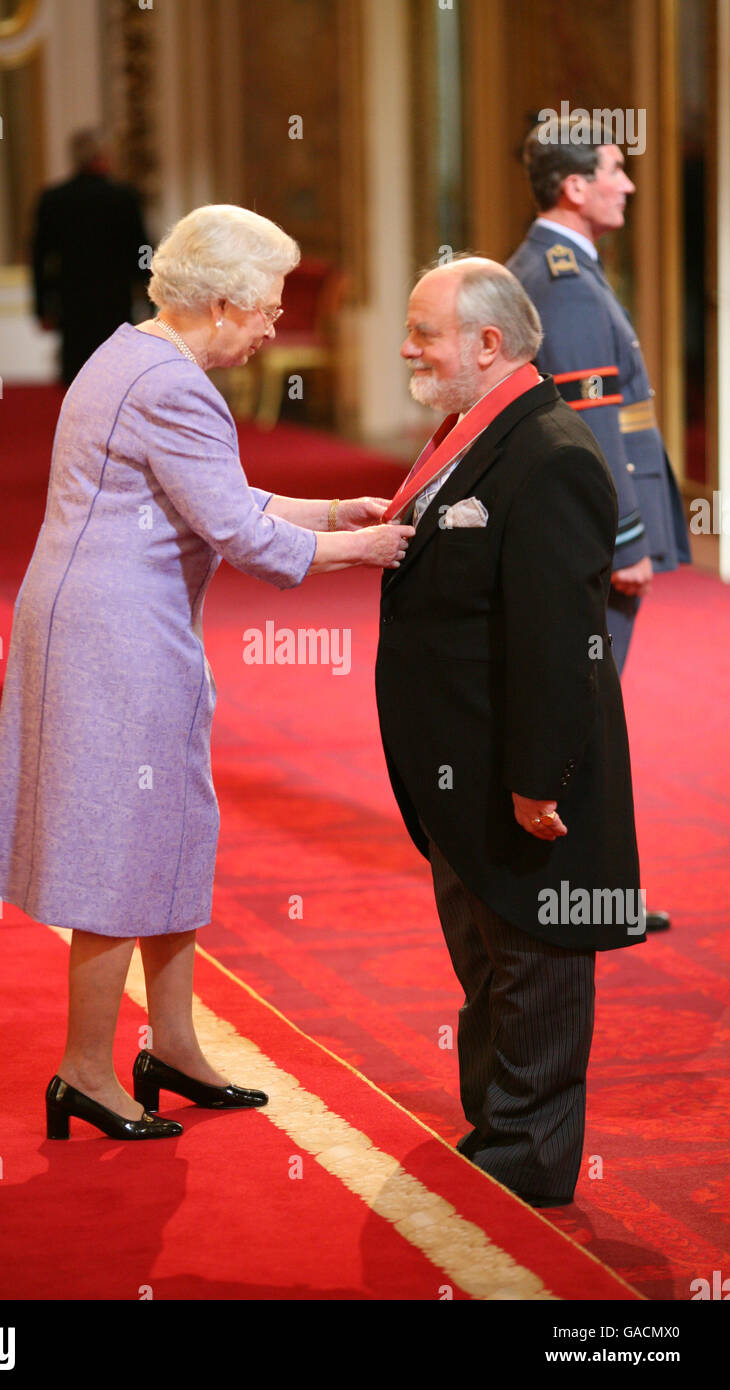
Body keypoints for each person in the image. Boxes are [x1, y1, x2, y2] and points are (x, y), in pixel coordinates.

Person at [0, 204, 414, 1142]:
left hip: (109, 619)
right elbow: (240, 533)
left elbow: (220, 494)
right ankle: (85, 1070)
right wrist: (370, 547)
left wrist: (333, 512)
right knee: (119, 846)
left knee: (170, 822)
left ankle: (170, 1045)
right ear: (220, 303)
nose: (272, 327)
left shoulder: (134, 355)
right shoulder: (171, 385)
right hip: (114, 635)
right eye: (267, 308)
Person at [375, 257, 643, 1207]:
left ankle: (529, 1159)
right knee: (488, 962)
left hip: (524, 782)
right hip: (463, 779)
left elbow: (560, 644)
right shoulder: (472, 437)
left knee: (535, 963)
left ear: (489, 345)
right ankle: (496, 1128)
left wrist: (540, 779)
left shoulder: (552, 454)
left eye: (425, 331)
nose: (407, 346)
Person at [507, 121, 690, 931]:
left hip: (578, 531)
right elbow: (592, 426)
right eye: (616, 169)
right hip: (595, 536)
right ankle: (585, 892)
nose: (629, 184)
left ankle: (588, 887)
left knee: (579, 706)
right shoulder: (566, 281)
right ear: (574, 188)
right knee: (584, 713)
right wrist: (627, 542)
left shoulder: (560, 268)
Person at [32, 129, 152, 385]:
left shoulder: (54, 199)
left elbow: (39, 256)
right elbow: (142, 250)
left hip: (71, 300)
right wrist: (148, 292)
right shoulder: (124, 197)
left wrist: (41, 305)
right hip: (114, 299)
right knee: (115, 372)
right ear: (104, 157)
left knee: (77, 374)